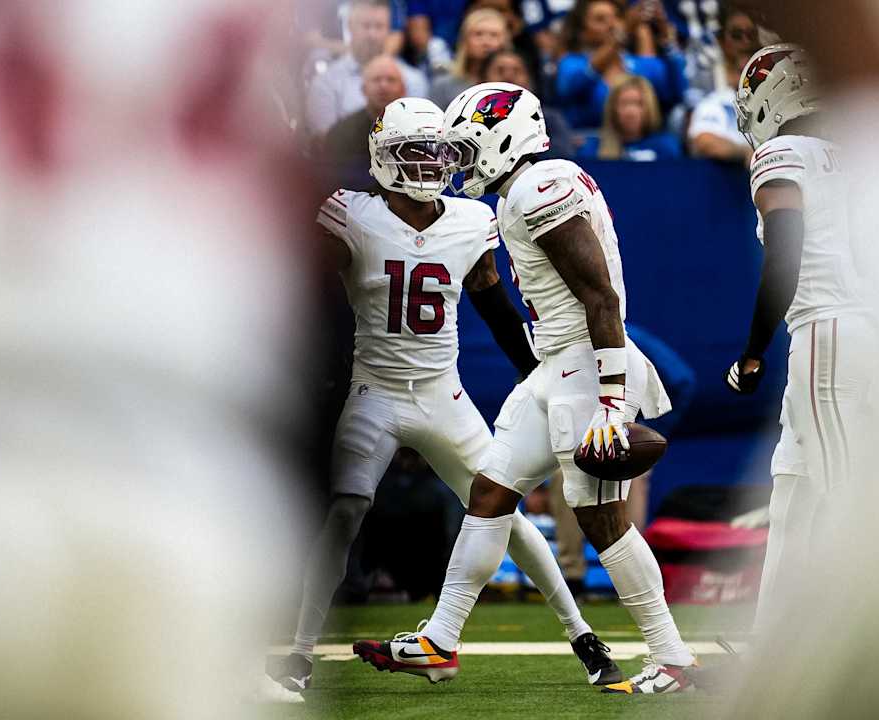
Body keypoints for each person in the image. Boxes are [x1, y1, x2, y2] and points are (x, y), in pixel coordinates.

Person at [265, 97, 620, 700]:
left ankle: (585, 637)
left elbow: (498, 310)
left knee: (501, 508)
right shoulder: (352, 216)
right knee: (346, 508)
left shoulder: (468, 219)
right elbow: (310, 306)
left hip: (444, 394)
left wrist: (536, 375)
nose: (430, 164)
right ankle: (298, 655)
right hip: (373, 392)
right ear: (382, 157)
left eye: (439, 151)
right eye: (415, 151)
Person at [353, 83, 698, 695]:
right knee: (489, 491)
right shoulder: (524, 190)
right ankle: (440, 639)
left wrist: (614, 402)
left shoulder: (540, 186)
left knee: (602, 518)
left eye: (466, 143)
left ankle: (672, 657)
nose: (458, 159)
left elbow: (601, 297)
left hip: (584, 369)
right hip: (554, 365)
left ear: (501, 134)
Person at [722, 45, 874, 632]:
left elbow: (784, 256)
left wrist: (753, 350)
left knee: (845, 497)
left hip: (826, 328)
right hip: (864, 325)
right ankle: (770, 643)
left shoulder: (784, 153)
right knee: (794, 491)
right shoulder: (855, 157)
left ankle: (877, 650)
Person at [305, 0, 428, 138]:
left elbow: (420, 138)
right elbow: (325, 142)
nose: (372, 35)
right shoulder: (325, 83)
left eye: (378, 26)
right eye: (365, 26)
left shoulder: (413, 80)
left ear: (389, 29)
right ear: (350, 27)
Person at [555, 0, 686, 129]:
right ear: (581, 31)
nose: (612, 24)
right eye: (600, 19)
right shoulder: (570, 64)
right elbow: (578, 83)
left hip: (644, 145)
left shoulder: (639, 64)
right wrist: (622, 34)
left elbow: (677, 93)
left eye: (616, 16)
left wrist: (666, 38)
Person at [685, 3, 764, 162]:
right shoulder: (717, 103)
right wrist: (746, 153)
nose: (745, 41)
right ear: (721, 41)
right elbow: (704, 141)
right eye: (737, 35)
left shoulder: (782, 94)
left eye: (752, 34)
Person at [481, 49, 578, 158]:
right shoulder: (471, 117)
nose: (508, 76)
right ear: (483, 79)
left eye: (516, 71)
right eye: (500, 71)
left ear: (529, 80)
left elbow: (563, 155)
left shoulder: (549, 119)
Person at [321, 55, 407, 167]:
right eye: (376, 79)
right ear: (363, 89)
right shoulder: (341, 133)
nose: (383, 86)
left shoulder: (419, 131)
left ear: (403, 89)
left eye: (391, 80)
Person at [578, 75, 681, 160]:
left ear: (649, 108)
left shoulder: (666, 147)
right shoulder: (593, 149)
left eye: (638, 104)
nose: (630, 112)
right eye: (624, 103)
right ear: (613, 108)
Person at [429, 9, 511, 109]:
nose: (486, 42)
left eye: (494, 35)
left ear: (505, 42)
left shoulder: (514, 84)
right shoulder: (444, 85)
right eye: (478, 34)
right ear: (465, 40)